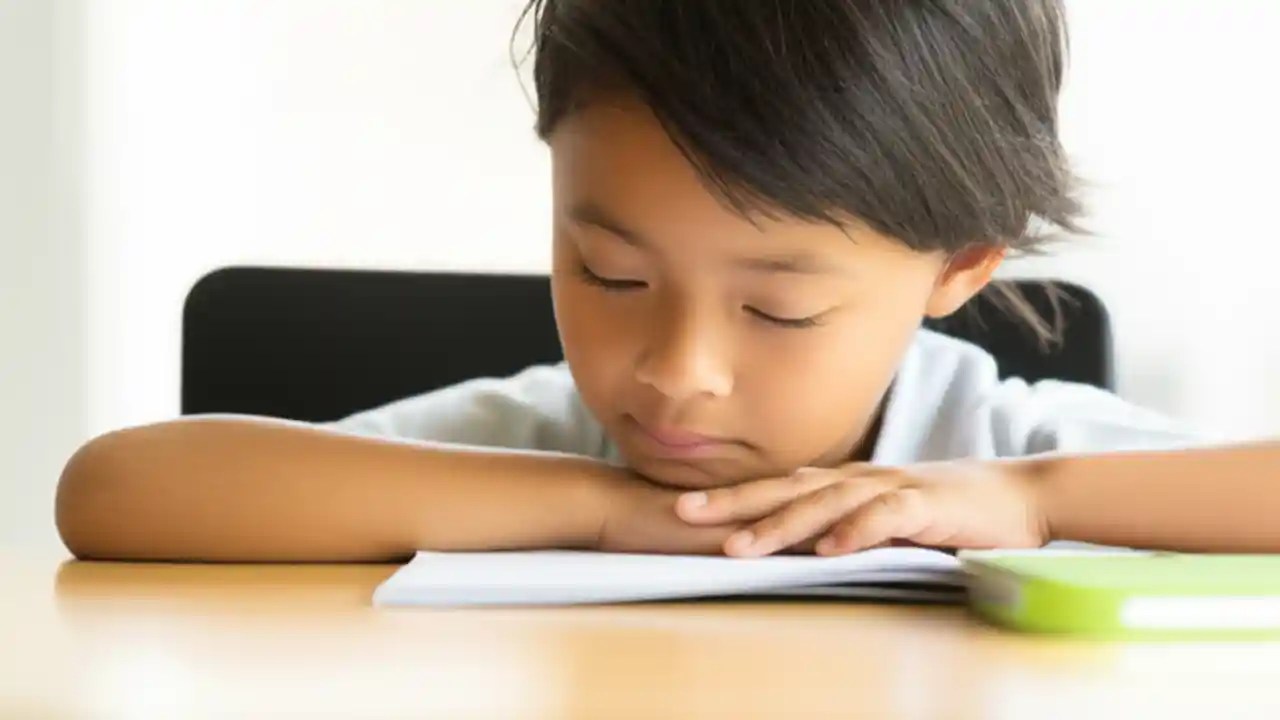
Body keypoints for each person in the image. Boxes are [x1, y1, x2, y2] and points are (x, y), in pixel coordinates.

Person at [54, 0, 1280, 563]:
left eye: (779, 307)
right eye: (609, 273)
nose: (673, 375)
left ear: (958, 267)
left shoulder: (990, 445)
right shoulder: (535, 448)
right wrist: (596, 514)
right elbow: (115, 493)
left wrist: (1040, 497)